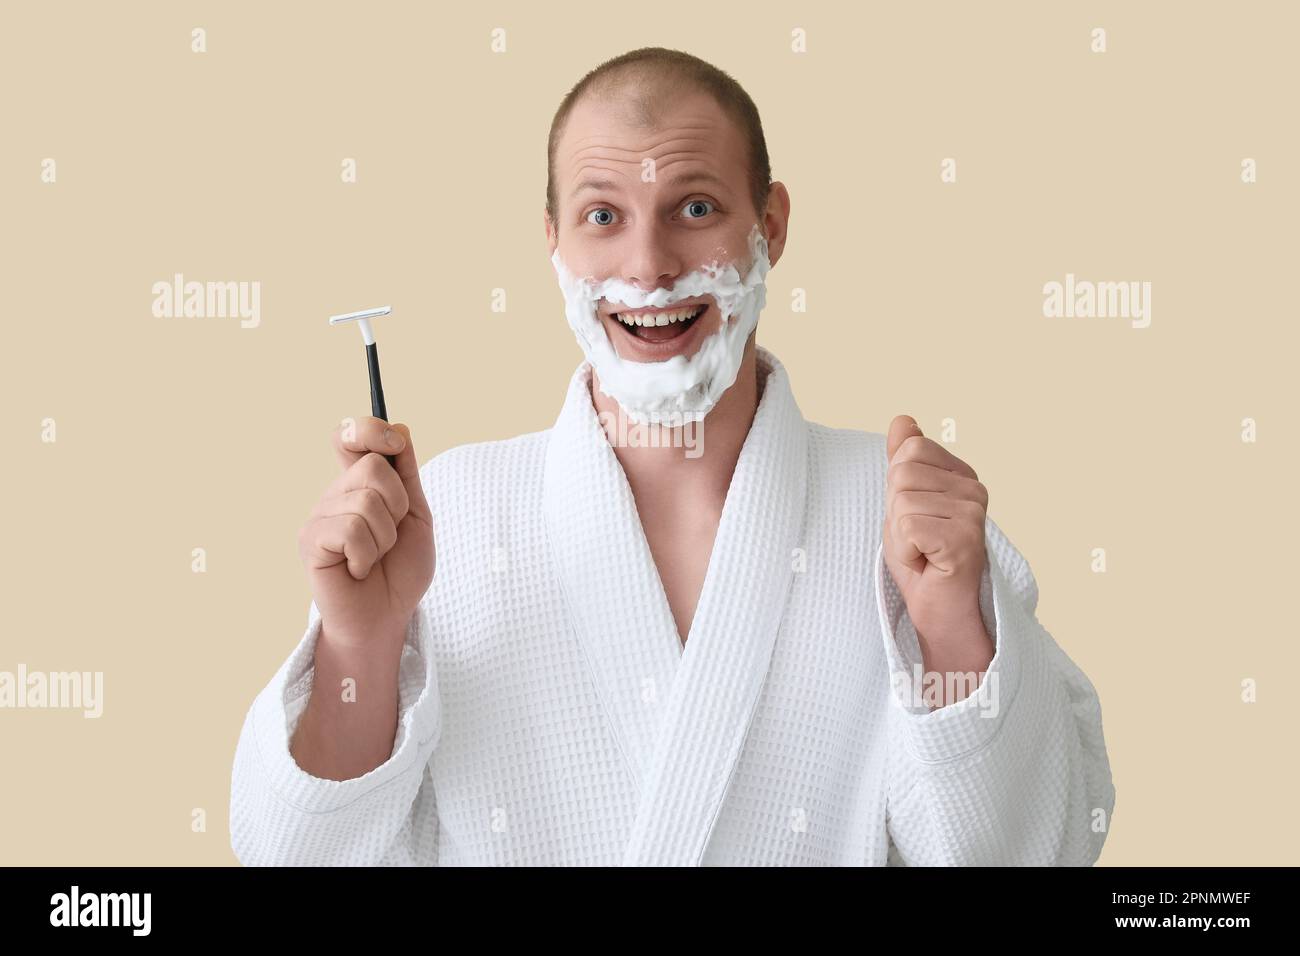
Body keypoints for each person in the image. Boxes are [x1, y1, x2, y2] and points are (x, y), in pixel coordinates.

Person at [229, 47, 1115, 866]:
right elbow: (294, 856)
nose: (648, 266)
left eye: (695, 209)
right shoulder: (448, 518)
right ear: (554, 243)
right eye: (602, 216)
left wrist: (953, 625)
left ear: (770, 225)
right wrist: (360, 641)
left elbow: (1039, 852)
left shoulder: (902, 520)